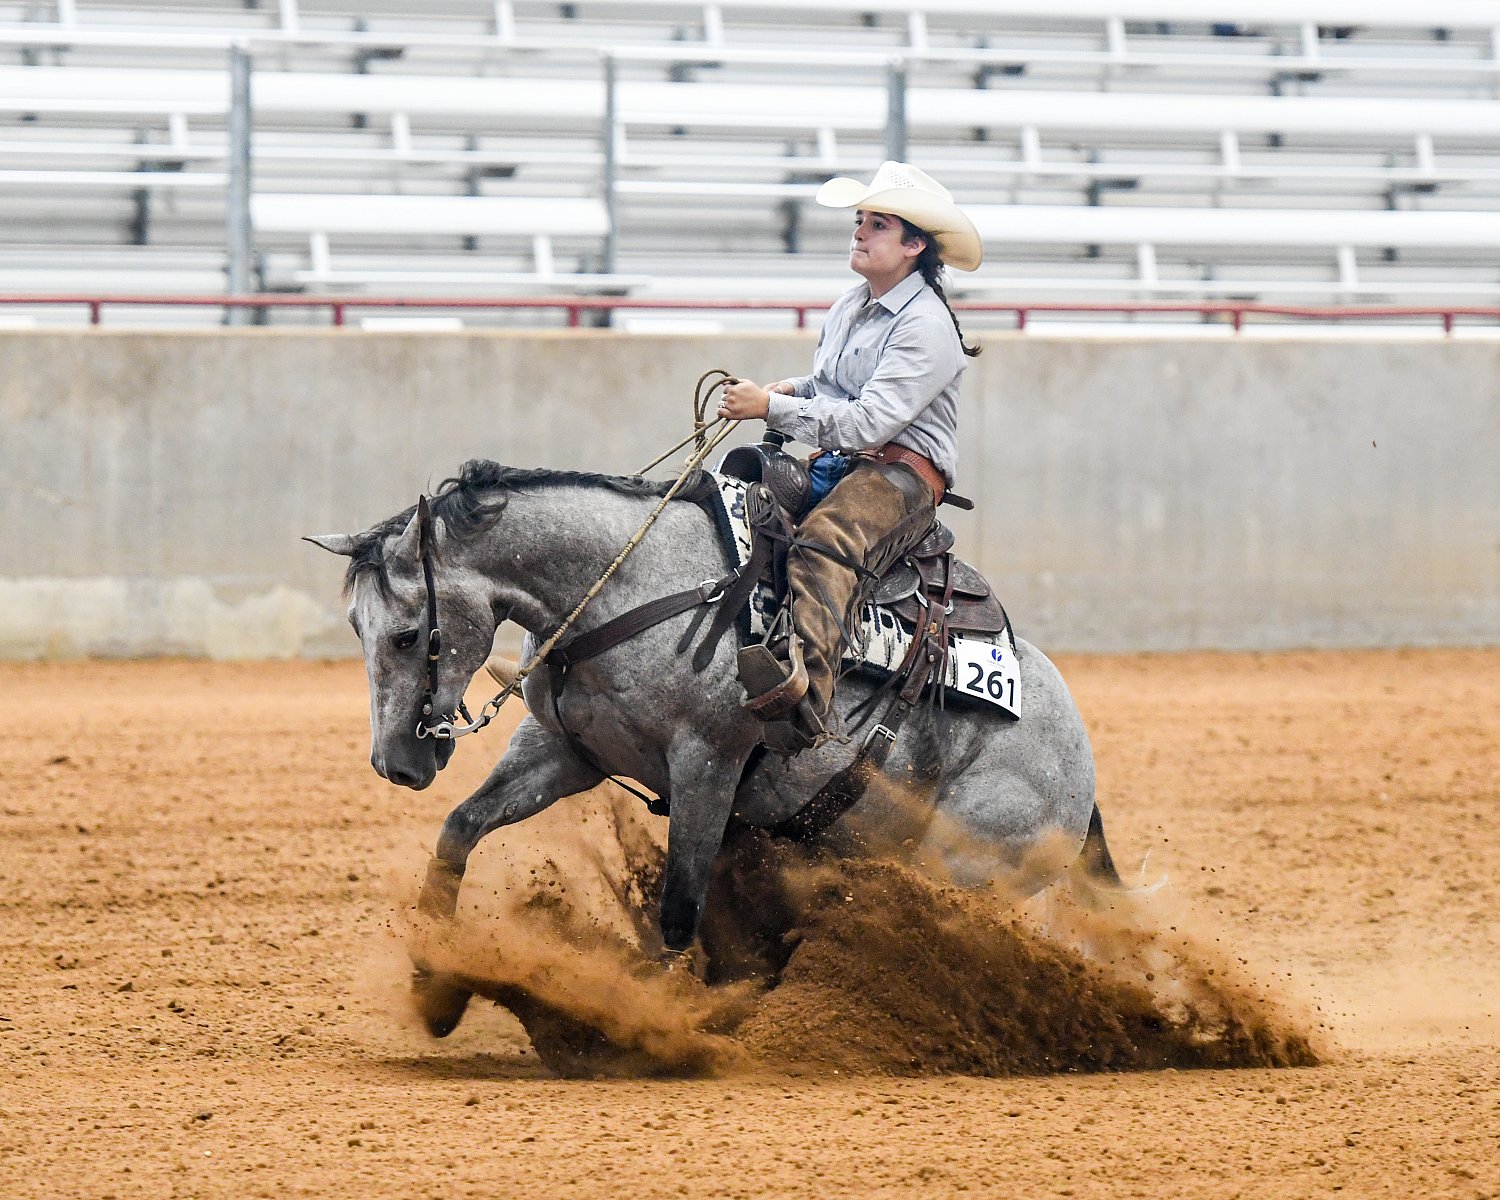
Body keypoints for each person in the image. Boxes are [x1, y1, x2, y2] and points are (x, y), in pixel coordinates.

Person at [718, 160, 983, 749]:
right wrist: (785, 391)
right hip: (847, 461)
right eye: (861, 220)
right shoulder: (851, 304)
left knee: (825, 539)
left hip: (901, 474)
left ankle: (806, 702)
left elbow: (870, 421)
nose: (859, 232)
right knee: (731, 500)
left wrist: (771, 409)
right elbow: (828, 385)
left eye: (877, 224)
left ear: (914, 245)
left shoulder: (927, 326)